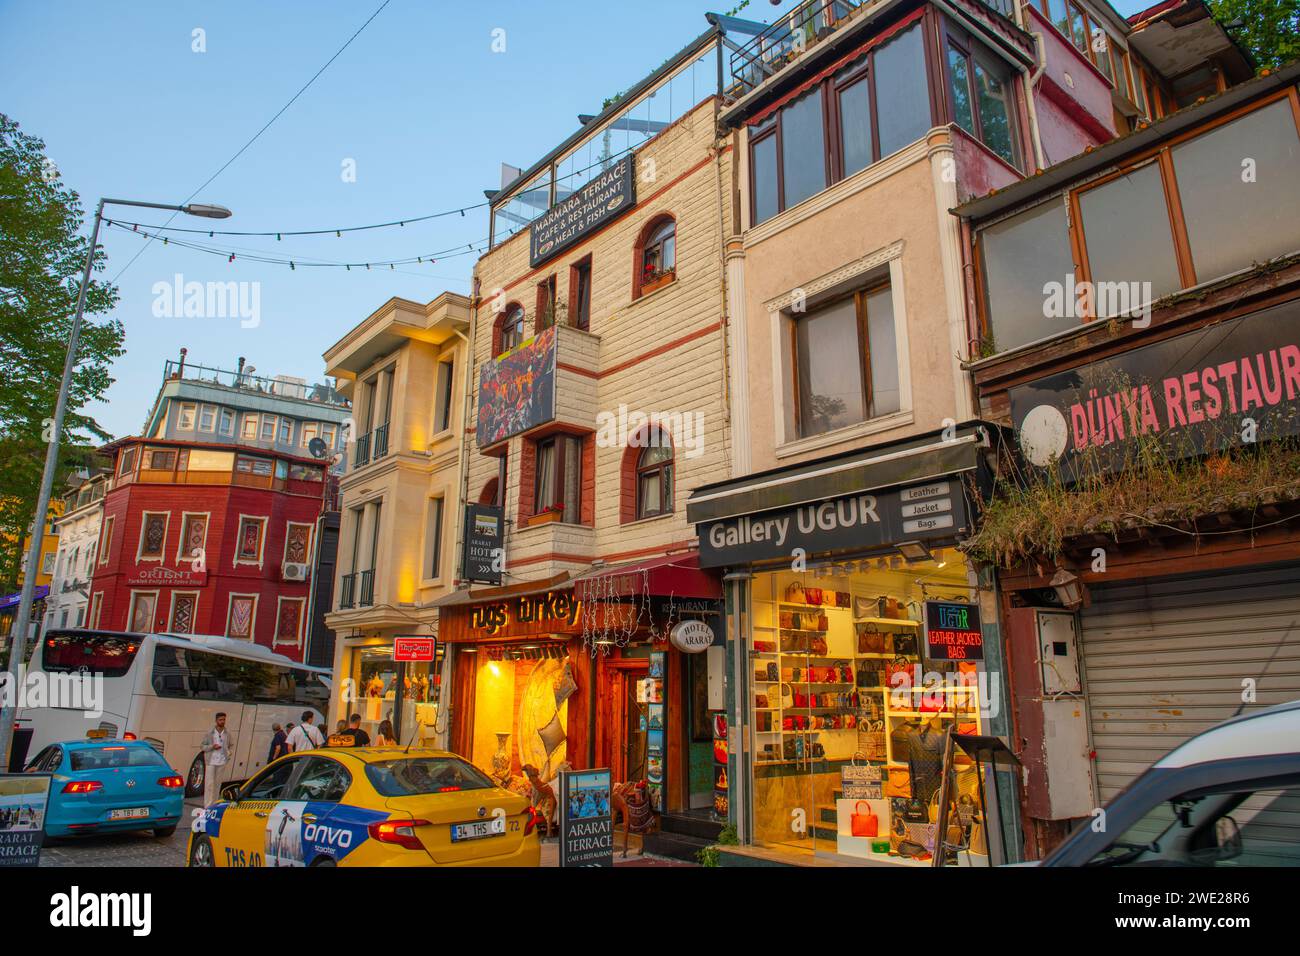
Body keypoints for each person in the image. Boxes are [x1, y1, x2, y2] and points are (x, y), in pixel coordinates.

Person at [200, 713, 231, 807]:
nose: (222, 721)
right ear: (216, 721)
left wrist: (229, 753)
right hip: (211, 761)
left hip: (222, 761)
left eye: (224, 720)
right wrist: (212, 747)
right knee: (209, 784)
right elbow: (202, 746)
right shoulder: (209, 733)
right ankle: (207, 805)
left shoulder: (227, 733)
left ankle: (214, 804)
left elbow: (231, 745)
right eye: (220, 720)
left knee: (217, 784)